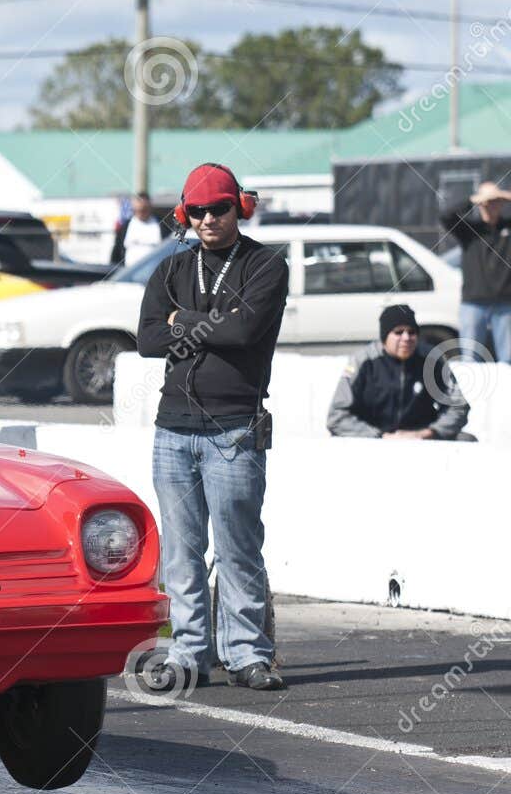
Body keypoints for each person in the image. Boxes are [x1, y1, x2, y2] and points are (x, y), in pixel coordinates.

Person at [136, 162, 289, 692]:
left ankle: (248, 653)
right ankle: (189, 652)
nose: (207, 219)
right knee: (181, 550)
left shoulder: (266, 264)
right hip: (173, 428)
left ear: (238, 208)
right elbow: (148, 339)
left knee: (237, 546)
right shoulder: (171, 269)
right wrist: (201, 324)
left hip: (234, 427)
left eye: (218, 208)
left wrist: (182, 320)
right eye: (196, 210)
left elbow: (246, 330)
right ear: (185, 214)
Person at [327, 304, 471, 441]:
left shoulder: (432, 359)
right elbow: (337, 416)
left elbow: (458, 406)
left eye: (412, 332)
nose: (406, 338)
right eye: (398, 332)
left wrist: (429, 433)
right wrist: (379, 436)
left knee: (467, 440)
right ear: (384, 337)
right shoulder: (363, 361)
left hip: (421, 439)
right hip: (373, 440)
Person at [440, 181, 511, 363]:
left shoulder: (507, 227)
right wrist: (474, 199)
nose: (490, 205)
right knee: (471, 358)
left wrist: (505, 196)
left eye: (495, 201)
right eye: (487, 202)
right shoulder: (469, 230)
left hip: (505, 303)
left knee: (508, 359)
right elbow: (446, 216)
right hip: (474, 303)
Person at [110, 192, 171, 266]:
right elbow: (117, 251)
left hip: (155, 273)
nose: (141, 212)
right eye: (139, 210)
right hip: (129, 272)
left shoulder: (162, 225)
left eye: (144, 209)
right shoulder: (125, 226)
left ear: (150, 207)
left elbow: (169, 249)